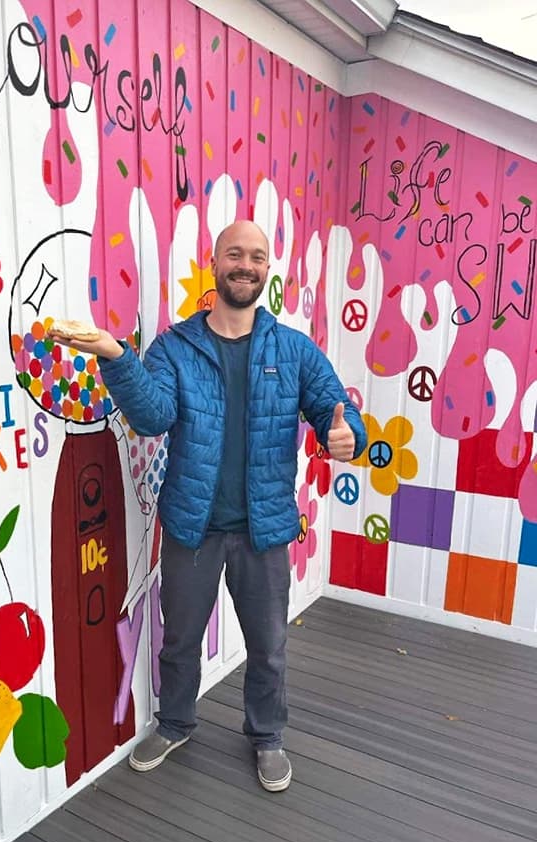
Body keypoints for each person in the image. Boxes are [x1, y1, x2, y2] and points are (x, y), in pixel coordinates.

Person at [49, 220, 366, 792]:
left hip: (264, 530)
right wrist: (116, 356)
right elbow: (153, 416)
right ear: (215, 263)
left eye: (258, 256)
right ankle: (175, 723)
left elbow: (335, 409)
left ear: (267, 269)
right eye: (235, 254)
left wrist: (349, 436)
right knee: (180, 641)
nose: (246, 265)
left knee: (268, 648)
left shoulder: (293, 350)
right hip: (192, 527)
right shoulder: (176, 347)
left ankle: (267, 735)